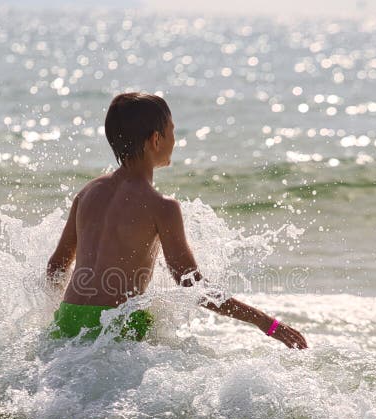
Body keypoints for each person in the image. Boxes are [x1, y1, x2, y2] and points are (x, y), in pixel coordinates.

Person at [46, 92, 307, 349]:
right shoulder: (162, 206)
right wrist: (266, 322)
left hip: (67, 320)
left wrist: (69, 312)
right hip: (116, 325)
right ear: (156, 139)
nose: (175, 140)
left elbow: (56, 266)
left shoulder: (88, 193)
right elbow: (192, 284)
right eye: (172, 131)